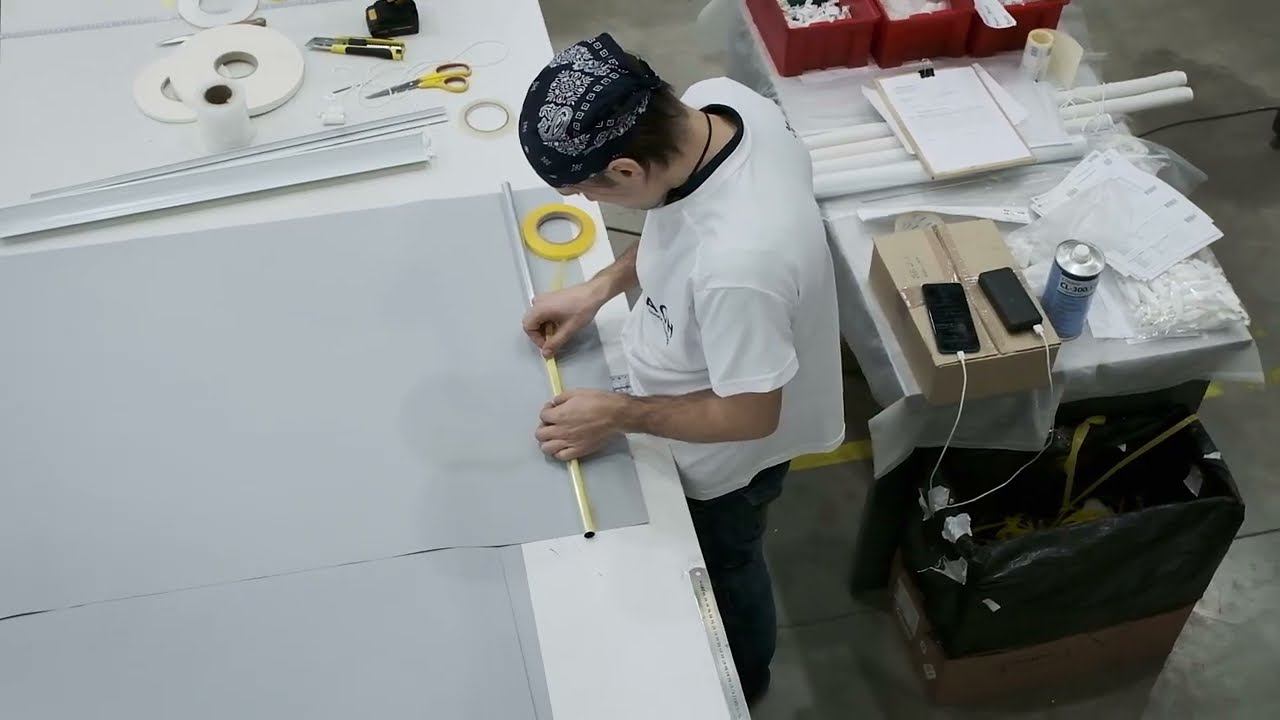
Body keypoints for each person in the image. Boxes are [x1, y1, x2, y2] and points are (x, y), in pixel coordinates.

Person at [517, 33, 844, 702]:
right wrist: (598, 288)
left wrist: (617, 414)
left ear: (625, 169)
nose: (589, 206)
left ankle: (745, 684)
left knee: (727, 564)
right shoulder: (720, 106)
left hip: (727, 461)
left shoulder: (740, 267)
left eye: (587, 192)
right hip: (709, 359)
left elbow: (752, 414)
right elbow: (679, 217)